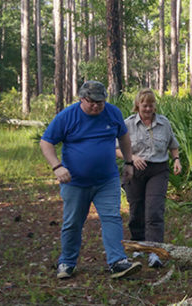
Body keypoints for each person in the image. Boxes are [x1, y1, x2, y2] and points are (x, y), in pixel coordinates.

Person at [39, 81, 142, 279]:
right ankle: (67, 263)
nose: (96, 106)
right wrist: (57, 166)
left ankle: (118, 262)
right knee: (73, 222)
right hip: (75, 181)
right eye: (92, 102)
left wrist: (129, 162)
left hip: (107, 179)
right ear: (82, 99)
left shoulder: (112, 113)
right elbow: (46, 141)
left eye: (100, 102)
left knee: (112, 217)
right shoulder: (67, 116)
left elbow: (124, 138)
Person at [115, 88, 180, 268]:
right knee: (136, 209)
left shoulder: (164, 123)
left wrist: (176, 160)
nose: (148, 109)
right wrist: (133, 158)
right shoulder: (127, 124)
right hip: (134, 171)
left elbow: (173, 145)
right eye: (145, 105)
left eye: (151, 105)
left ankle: (154, 251)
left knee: (154, 210)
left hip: (158, 170)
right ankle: (138, 243)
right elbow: (116, 149)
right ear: (138, 105)